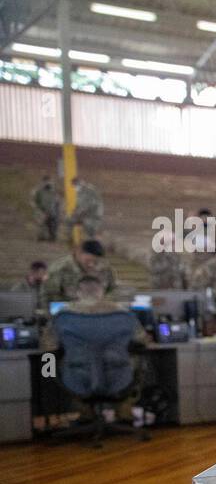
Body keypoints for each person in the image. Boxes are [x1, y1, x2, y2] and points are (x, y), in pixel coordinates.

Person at [40, 274, 146, 425]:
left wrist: (49, 375)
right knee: (142, 364)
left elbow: (47, 347)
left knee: (49, 364)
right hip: (118, 378)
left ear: (77, 292)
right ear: (102, 291)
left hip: (77, 378)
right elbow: (142, 342)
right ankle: (123, 408)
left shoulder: (63, 316)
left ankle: (84, 410)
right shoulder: (124, 314)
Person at [41, 239, 117, 311]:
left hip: (98, 314)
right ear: (79, 254)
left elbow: (112, 290)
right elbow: (48, 296)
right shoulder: (59, 269)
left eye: (95, 262)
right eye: (88, 261)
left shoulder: (106, 269)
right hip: (69, 316)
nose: (91, 265)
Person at [30, 174, 61, 241]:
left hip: (52, 211)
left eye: (50, 181)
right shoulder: (38, 190)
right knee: (41, 224)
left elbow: (57, 201)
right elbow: (33, 201)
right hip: (41, 211)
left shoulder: (54, 190)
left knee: (53, 224)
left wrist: (56, 211)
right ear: (43, 182)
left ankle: (52, 236)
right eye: (47, 181)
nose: (48, 183)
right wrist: (38, 210)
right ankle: (41, 236)